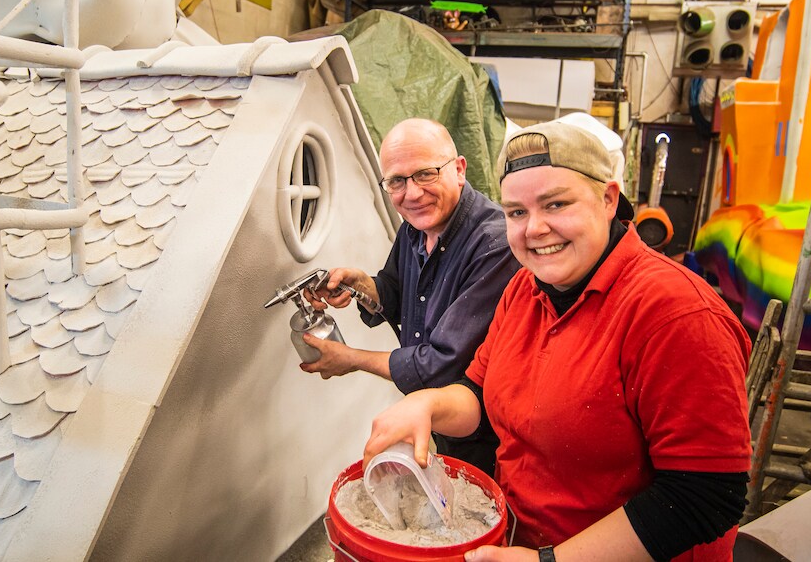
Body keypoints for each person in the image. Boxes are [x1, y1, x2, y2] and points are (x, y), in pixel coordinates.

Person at [363, 121, 752, 561]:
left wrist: (548, 561)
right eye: (516, 212)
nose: (534, 229)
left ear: (607, 200)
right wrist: (428, 406)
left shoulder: (676, 314)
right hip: (519, 536)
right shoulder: (523, 291)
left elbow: (705, 495)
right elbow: (477, 394)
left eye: (556, 204)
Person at [301, 118, 520, 476]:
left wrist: (351, 359)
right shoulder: (415, 228)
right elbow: (394, 291)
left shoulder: (495, 244)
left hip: (486, 438)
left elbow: (442, 364)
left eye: (425, 174)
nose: (412, 193)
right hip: (439, 426)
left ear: (460, 169)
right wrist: (360, 286)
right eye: (396, 181)